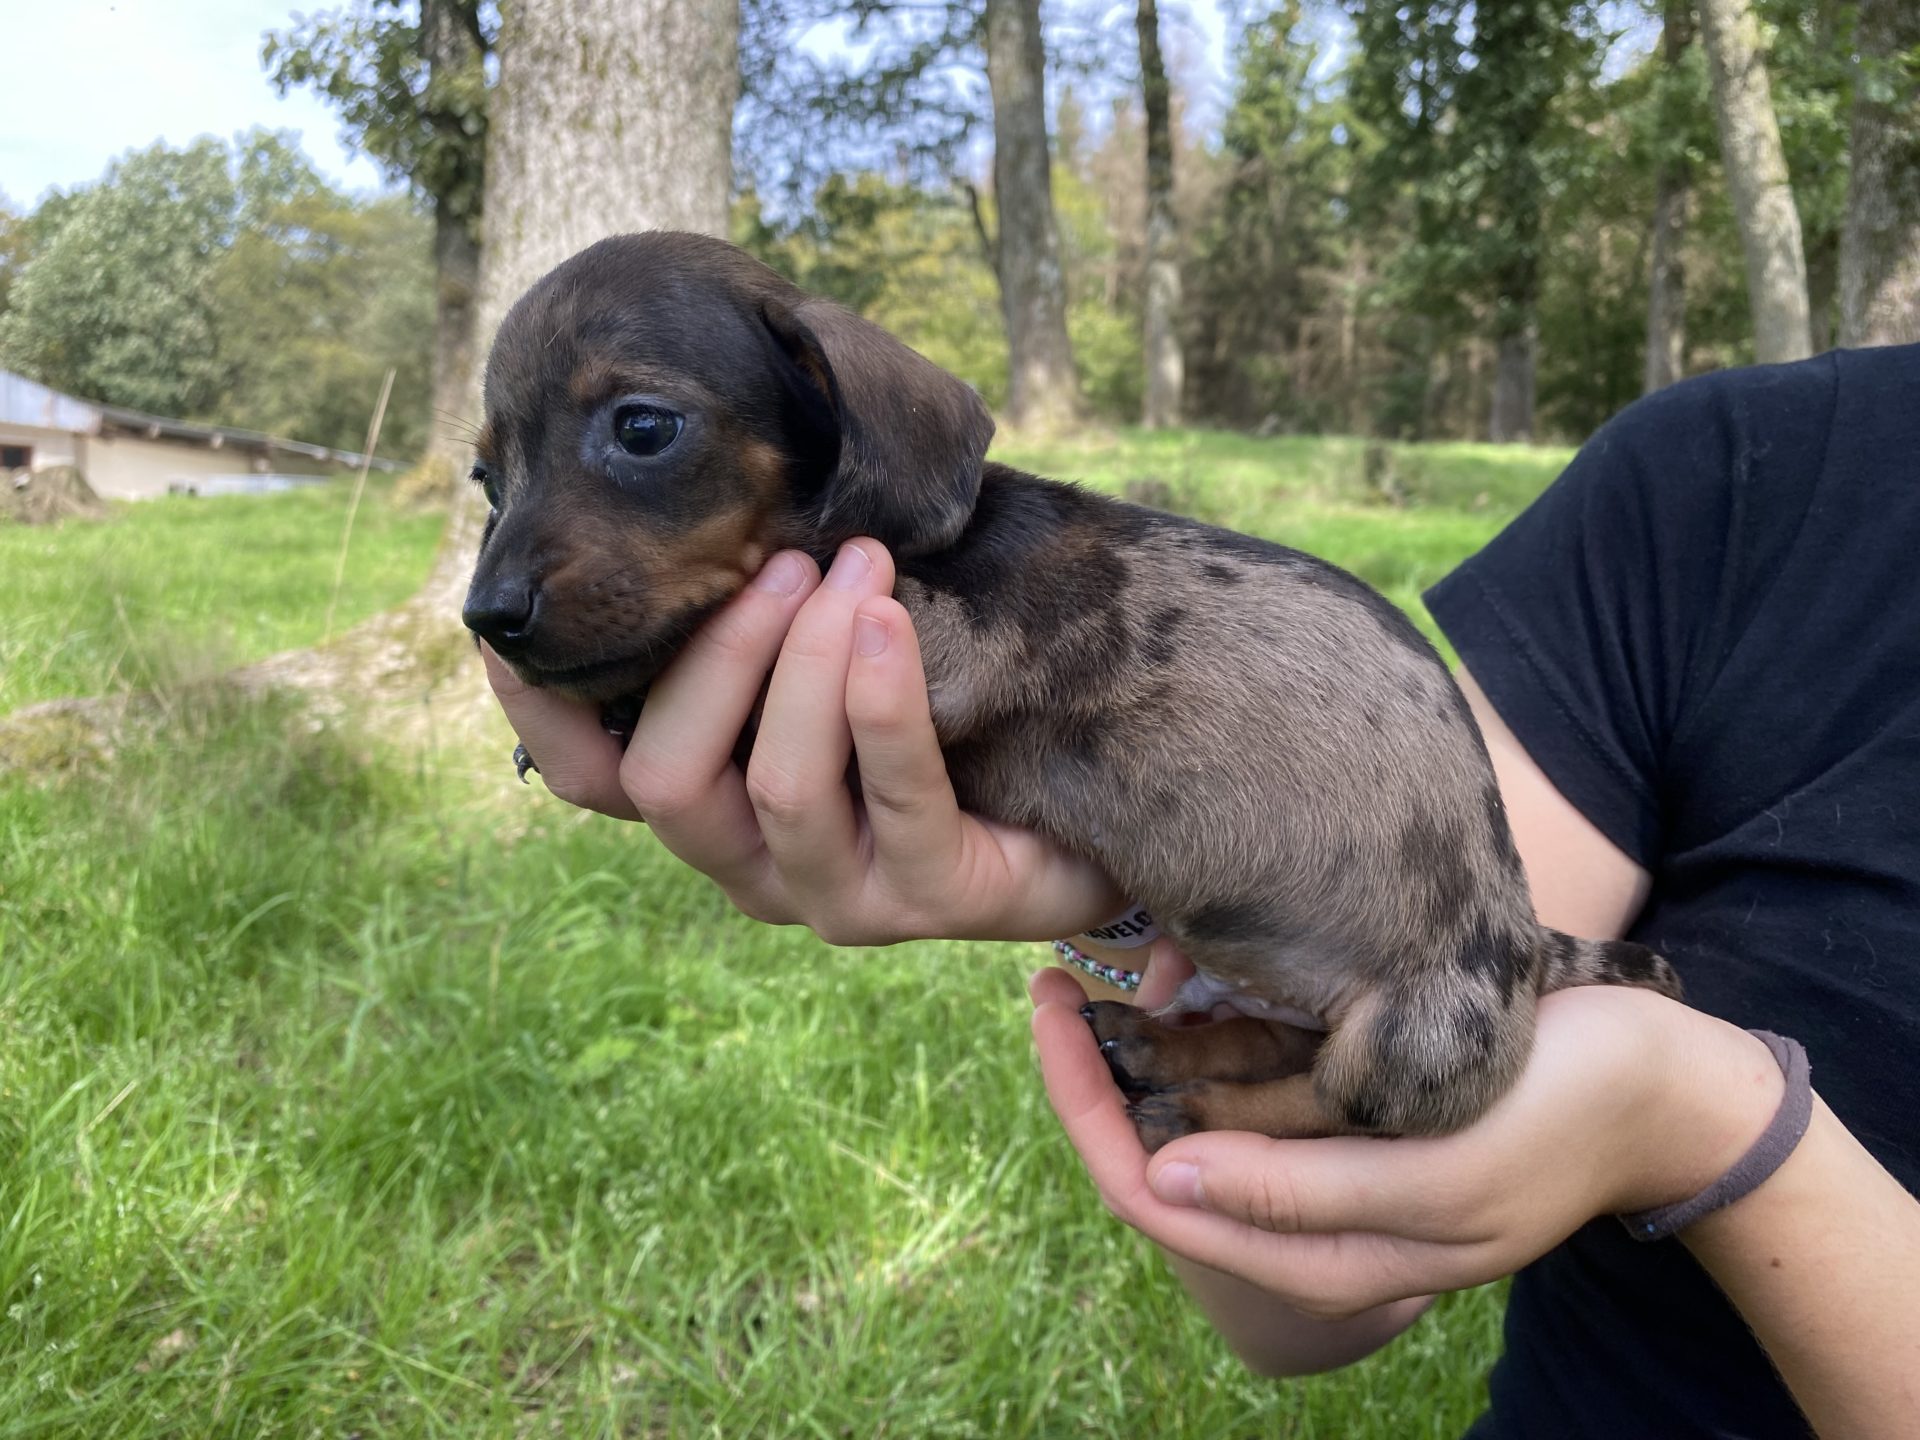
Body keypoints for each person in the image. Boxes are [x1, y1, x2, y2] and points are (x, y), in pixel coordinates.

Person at [484, 343, 1920, 1437]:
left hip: (1430, 1009)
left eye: (639, 433)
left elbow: (952, 672)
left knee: (1410, 1058)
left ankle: (1250, 1077)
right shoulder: (1741, 475)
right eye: (502, 479)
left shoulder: (958, 593)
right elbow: (1313, 1305)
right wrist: (1101, 908)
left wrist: (1713, 1130)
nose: (500, 573)